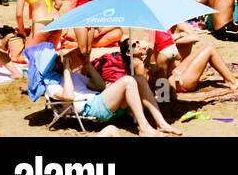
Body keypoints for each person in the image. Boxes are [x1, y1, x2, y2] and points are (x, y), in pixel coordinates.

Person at [47, 55, 180, 136]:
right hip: (91, 107)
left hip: (101, 100)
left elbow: (100, 86)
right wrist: (66, 70)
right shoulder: (52, 85)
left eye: (60, 59)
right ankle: (144, 128)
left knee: (139, 78)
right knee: (128, 81)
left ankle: (161, 122)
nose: (61, 62)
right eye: (57, 61)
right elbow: (69, 96)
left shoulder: (74, 76)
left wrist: (88, 65)